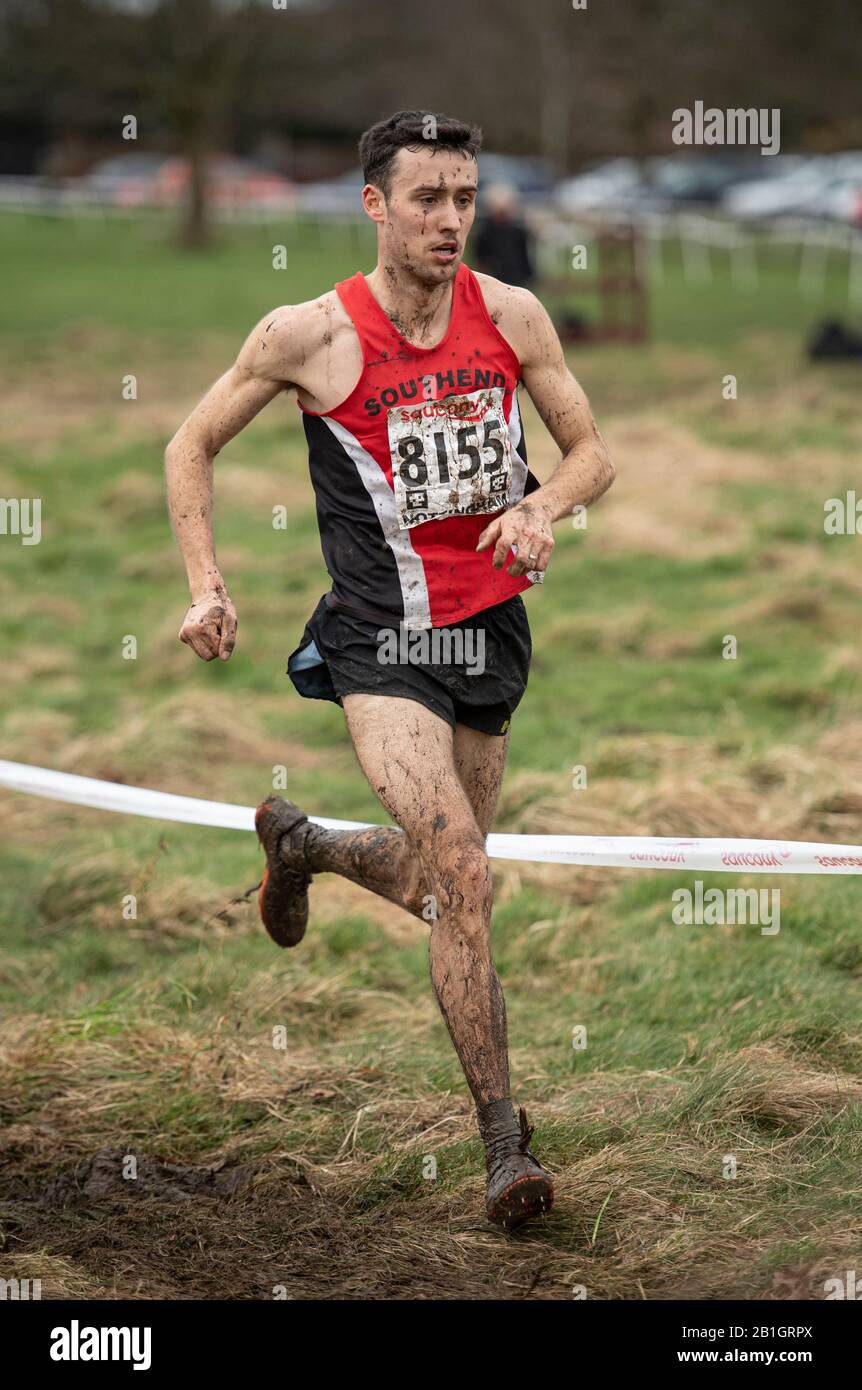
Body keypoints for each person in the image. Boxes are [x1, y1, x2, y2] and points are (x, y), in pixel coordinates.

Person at [165, 109, 615, 1231]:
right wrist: (206, 584)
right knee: (462, 868)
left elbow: (592, 452)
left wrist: (542, 504)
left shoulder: (511, 315)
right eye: (427, 199)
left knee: (429, 887)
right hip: (382, 643)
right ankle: (505, 1147)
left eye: (464, 197)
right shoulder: (307, 335)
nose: (451, 219)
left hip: (489, 638)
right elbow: (188, 442)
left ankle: (303, 843)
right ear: (374, 206)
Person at [474, 182, 536, 289]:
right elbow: (481, 260)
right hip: (494, 282)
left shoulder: (518, 232)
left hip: (517, 280)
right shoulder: (485, 233)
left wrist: (529, 276)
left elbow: (524, 258)